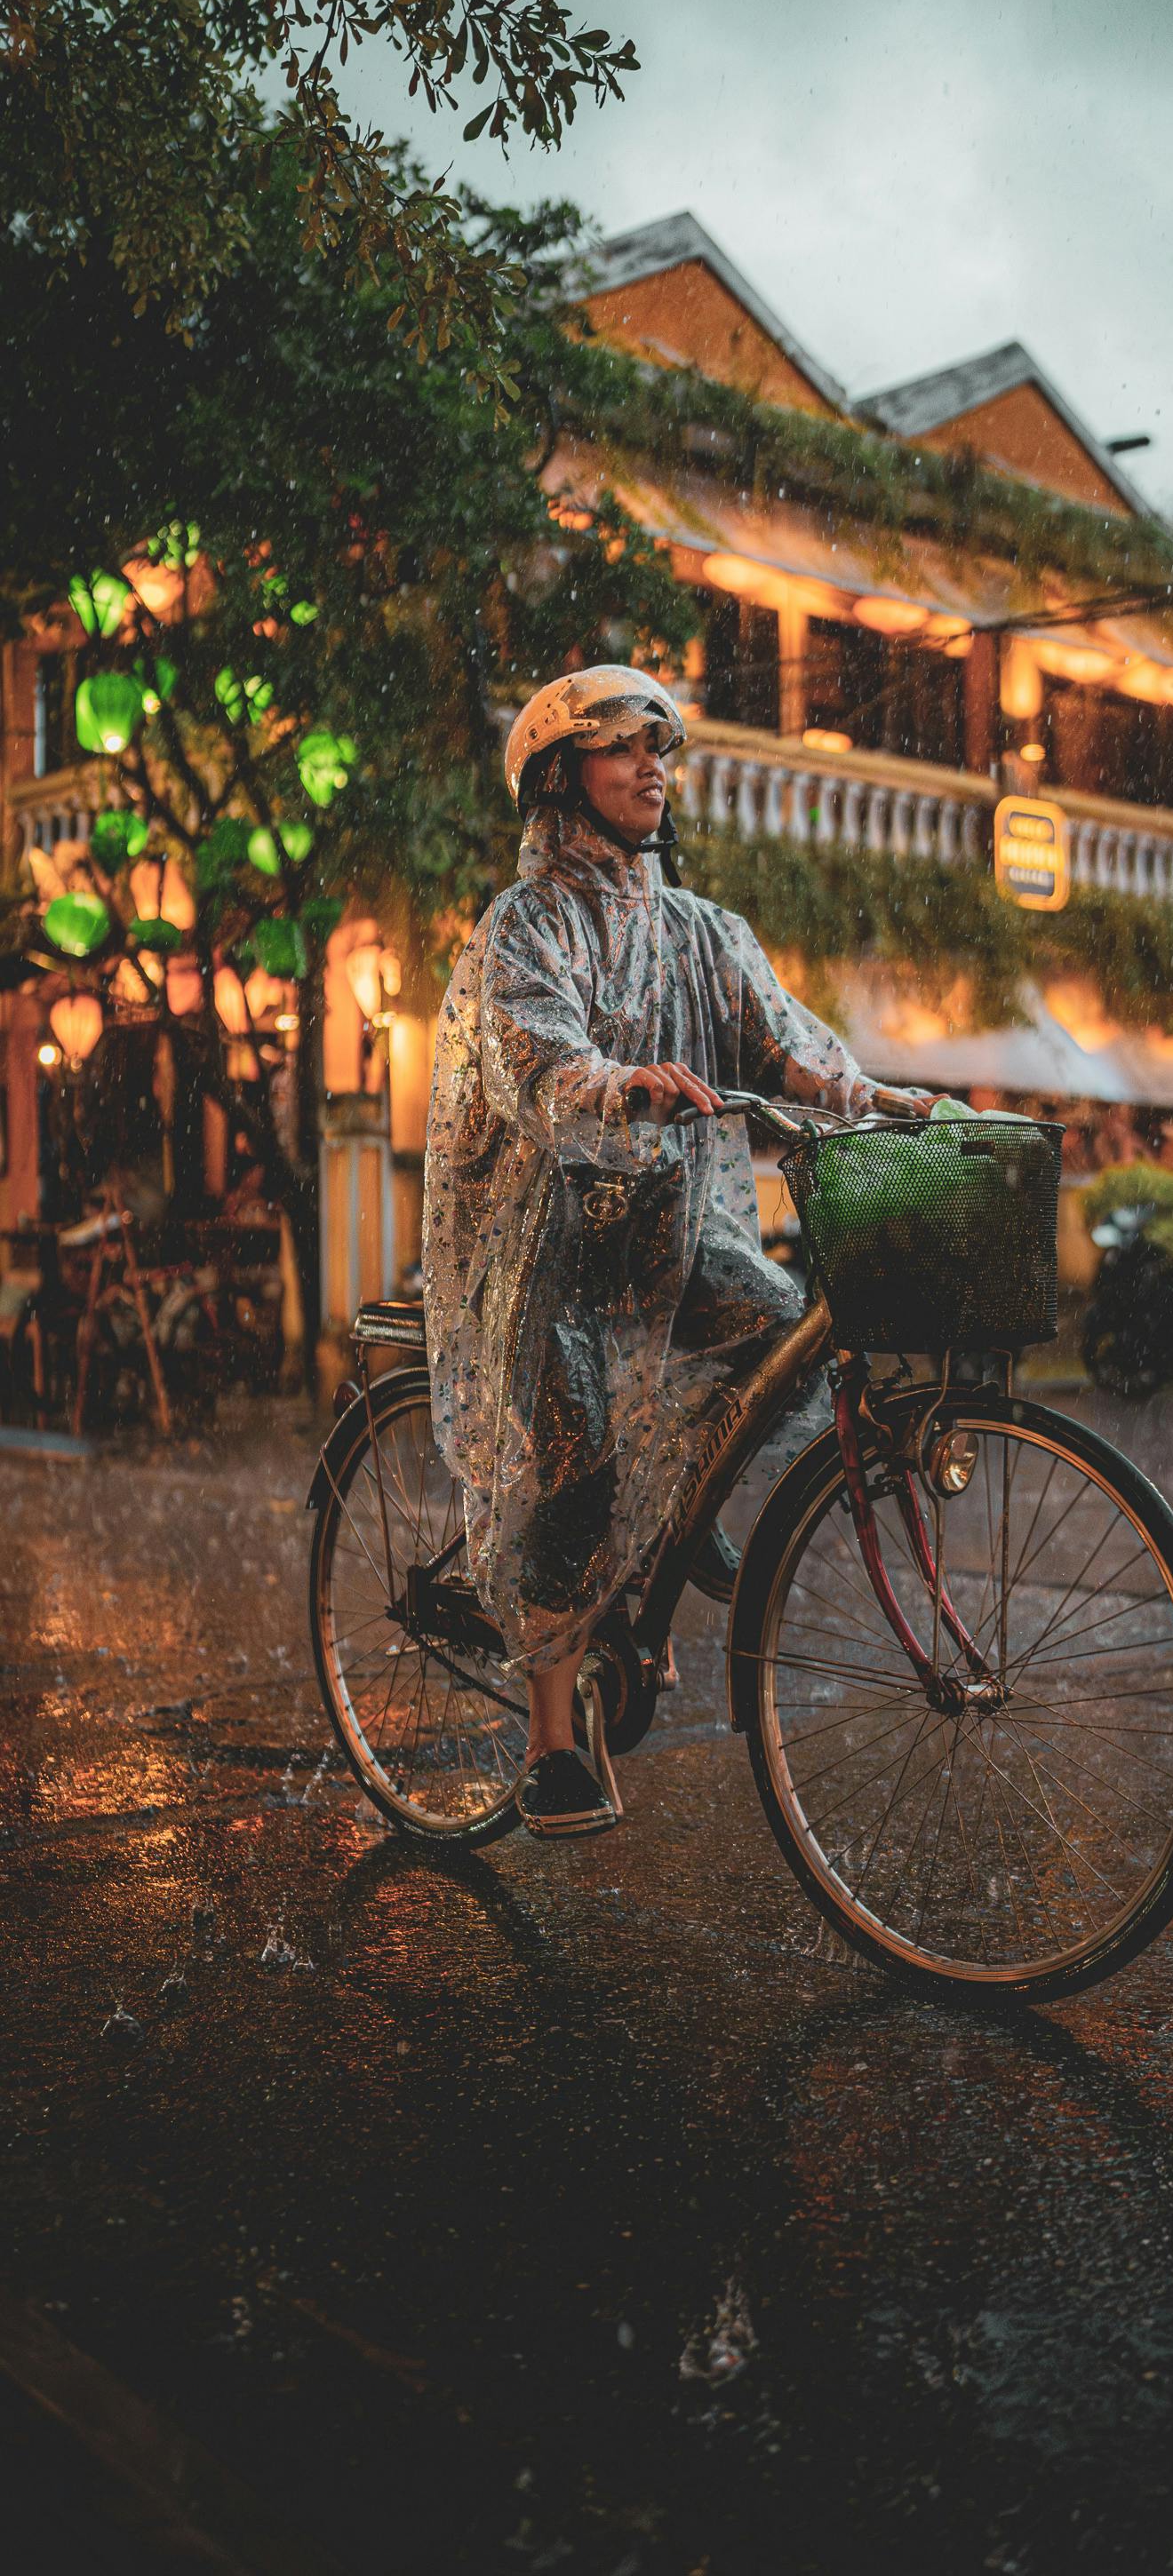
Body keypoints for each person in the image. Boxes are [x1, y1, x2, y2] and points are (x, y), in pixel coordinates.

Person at [423, 667, 930, 1839]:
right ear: (560, 777)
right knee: (577, 1457)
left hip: (673, 1233)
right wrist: (621, 1083)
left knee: (783, 1337)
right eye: (621, 750)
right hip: (548, 1240)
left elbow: (788, 1044)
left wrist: (878, 1098)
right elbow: (534, 1055)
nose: (652, 768)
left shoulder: (701, 931)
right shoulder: (524, 927)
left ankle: (679, 1501)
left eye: (660, 748)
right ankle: (553, 1736)